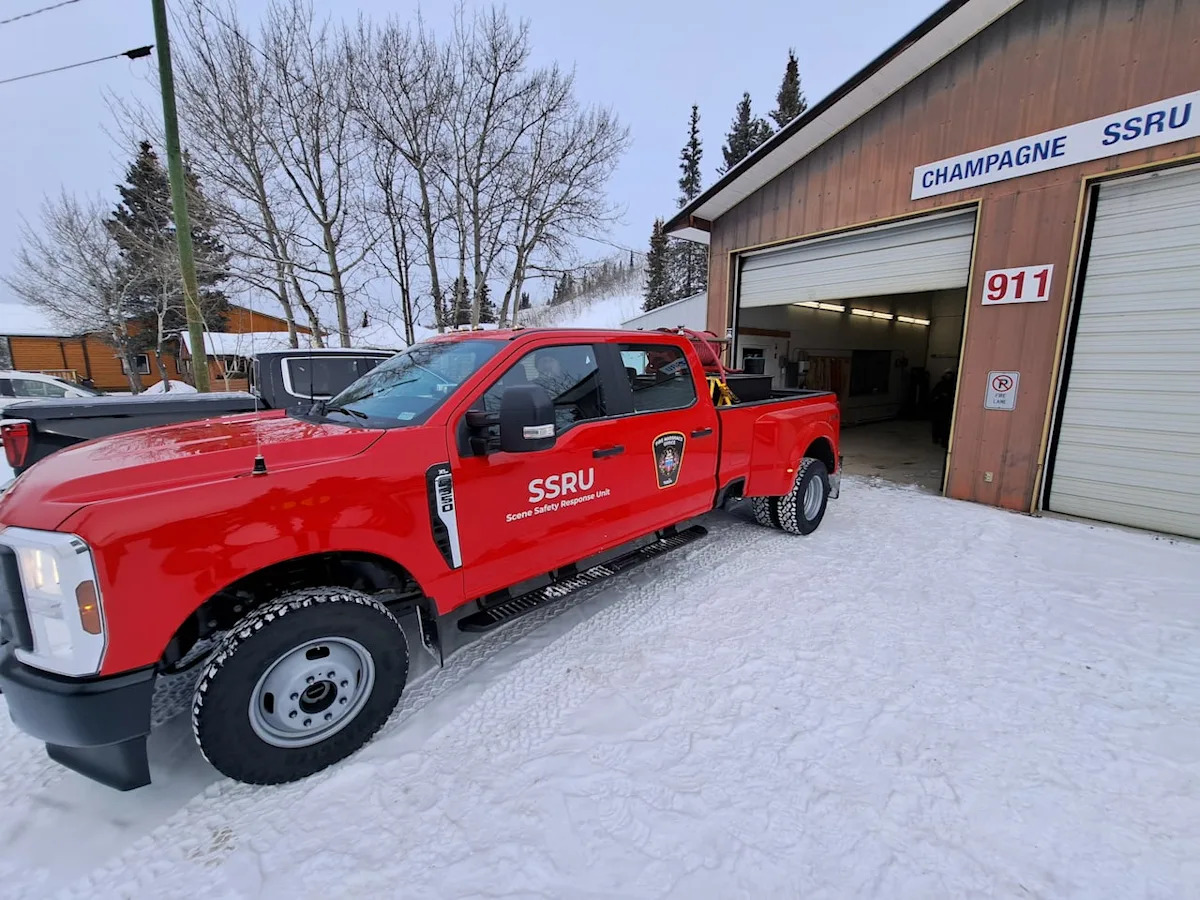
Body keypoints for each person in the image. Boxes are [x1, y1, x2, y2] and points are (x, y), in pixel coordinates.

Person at [929, 368, 956, 448]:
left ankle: (944, 441)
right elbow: (933, 395)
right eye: (947, 373)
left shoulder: (953, 385)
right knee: (937, 424)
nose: (948, 375)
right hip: (938, 408)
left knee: (945, 426)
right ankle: (936, 438)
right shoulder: (940, 384)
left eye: (950, 374)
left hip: (947, 409)